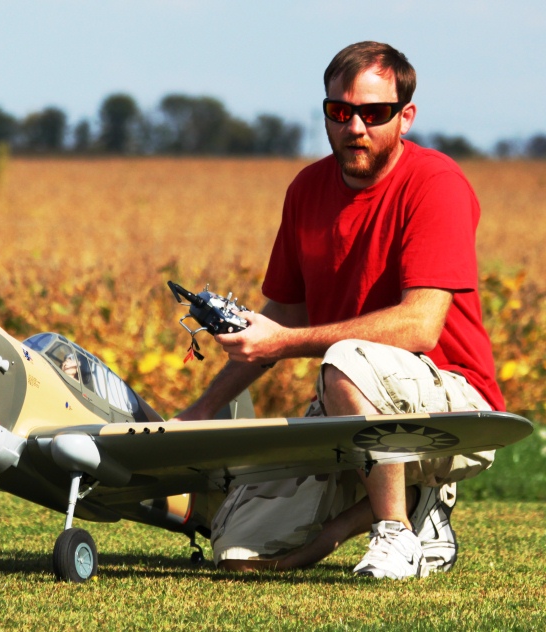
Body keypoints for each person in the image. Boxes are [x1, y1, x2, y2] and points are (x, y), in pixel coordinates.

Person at [173, 41, 504, 580]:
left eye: (374, 114)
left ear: (406, 116)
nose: (356, 127)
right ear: (326, 112)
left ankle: (395, 533)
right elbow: (281, 312)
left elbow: (421, 326)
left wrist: (284, 342)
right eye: (340, 111)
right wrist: (200, 412)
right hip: (349, 406)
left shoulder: (436, 185)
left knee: (346, 358)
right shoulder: (306, 189)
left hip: (454, 410)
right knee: (237, 554)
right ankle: (416, 502)